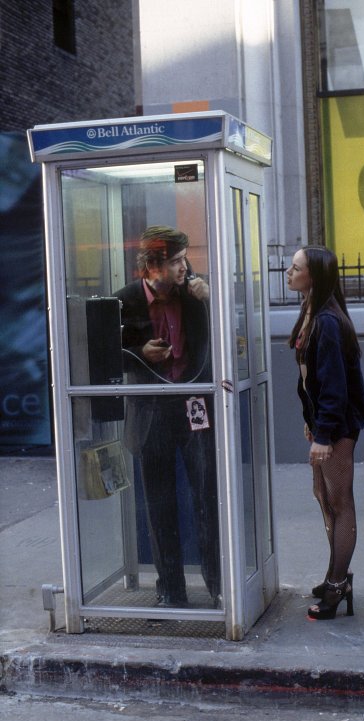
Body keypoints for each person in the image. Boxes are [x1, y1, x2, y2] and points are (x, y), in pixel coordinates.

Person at [115, 225, 220, 608]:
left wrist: (211, 302)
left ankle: (216, 583)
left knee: (207, 494)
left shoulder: (196, 294)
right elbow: (104, 354)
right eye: (176, 261)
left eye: (184, 260)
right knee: (159, 504)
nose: (184, 268)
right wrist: (141, 352)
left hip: (193, 405)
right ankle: (170, 587)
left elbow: (230, 341)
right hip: (150, 410)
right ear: (152, 266)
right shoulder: (124, 301)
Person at [287, 246, 364, 620]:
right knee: (324, 497)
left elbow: (334, 385)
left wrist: (324, 435)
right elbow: (312, 381)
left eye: (296, 268)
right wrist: (313, 420)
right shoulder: (311, 313)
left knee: (340, 502)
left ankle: (338, 585)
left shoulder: (328, 322)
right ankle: (336, 574)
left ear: (313, 277)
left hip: (337, 427)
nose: (289, 272)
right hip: (325, 422)